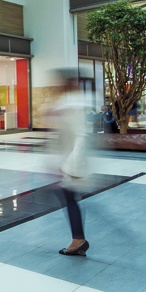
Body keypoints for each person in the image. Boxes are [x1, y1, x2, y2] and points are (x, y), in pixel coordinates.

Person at [48, 72, 90, 256]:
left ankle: (78, 240)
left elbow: (80, 136)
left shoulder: (73, 105)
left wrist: (71, 166)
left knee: (70, 197)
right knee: (69, 197)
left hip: (73, 161)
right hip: (71, 160)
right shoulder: (72, 103)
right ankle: (78, 239)